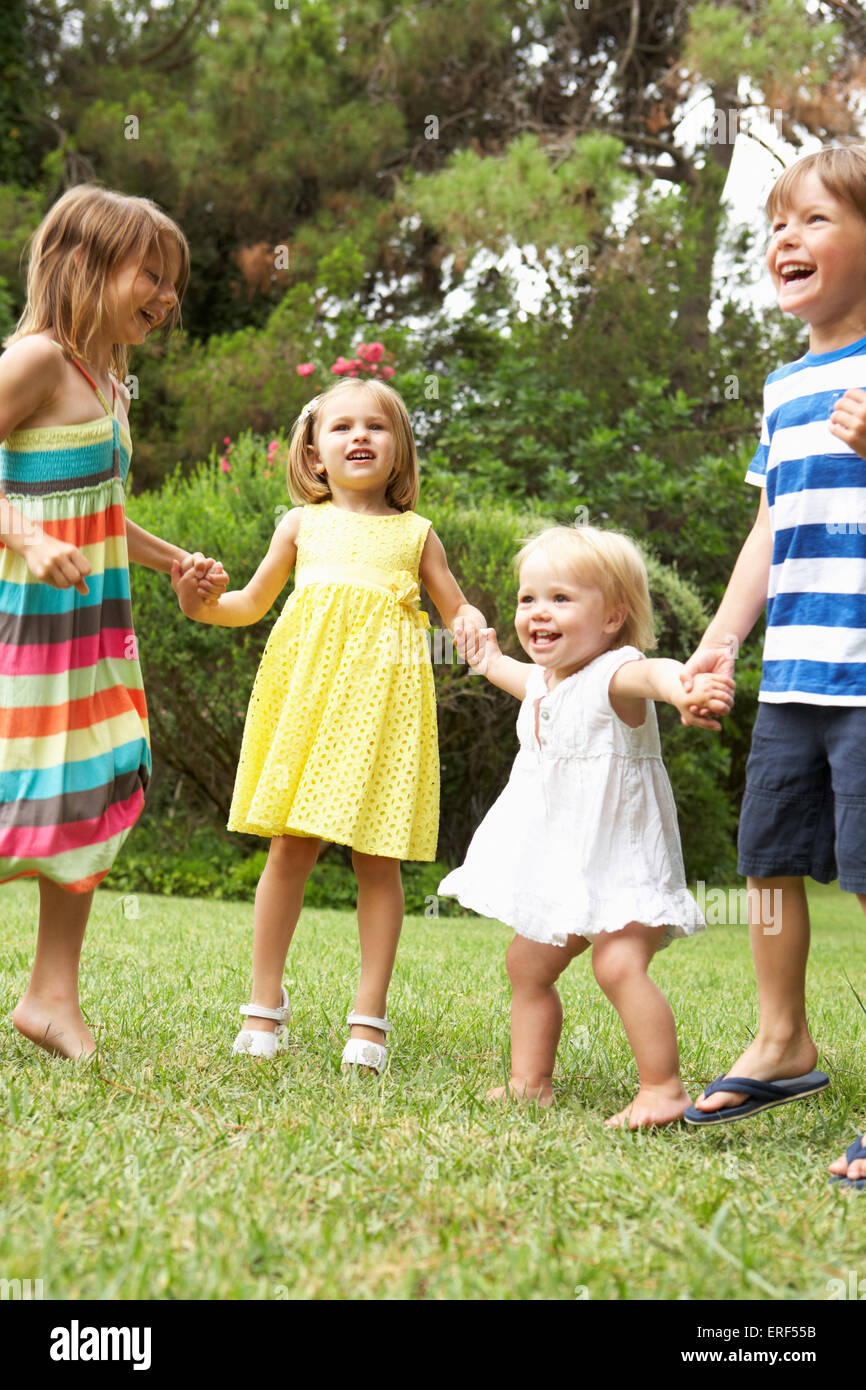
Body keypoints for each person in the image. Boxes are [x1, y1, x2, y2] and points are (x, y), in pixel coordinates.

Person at [173, 376, 485, 1071]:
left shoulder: (415, 534)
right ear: (314, 453)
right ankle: (264, 1003)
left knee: (379, 859)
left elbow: (457, 609)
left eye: (376, 426)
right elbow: (248, 605)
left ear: (399, 449)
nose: (360, 437)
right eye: (342, 427)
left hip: (383, 712)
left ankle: (369, 1016)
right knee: (291, 847)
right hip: (309, 706)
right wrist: (200, 606)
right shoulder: (299, 524)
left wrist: (473, 628)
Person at [1, 185, 227, 1061]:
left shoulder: (110, 381)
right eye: (151, 275)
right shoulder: (34, 360)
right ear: (83, 265)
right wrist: (25, 537)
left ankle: (51, 997)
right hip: (22, 622)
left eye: (173, 283)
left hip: (87, 631)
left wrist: (175, 561)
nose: (167, 298)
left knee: (90, 786)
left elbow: (97, 509)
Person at [679, 144, 866, 1188]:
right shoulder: (784, 385)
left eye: (814, 221)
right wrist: (719, 639)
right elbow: (769, 523)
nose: (785, 241)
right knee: (764, 858)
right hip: (795, 674)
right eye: (774, 227)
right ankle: (781, 1040)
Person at [438, 525, 734, 1126]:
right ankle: (529, 1082)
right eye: (527, 599)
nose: (538, 612)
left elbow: (658, 674)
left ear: (612, 618)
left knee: (617, 965)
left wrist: (686, 689)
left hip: (623, 865)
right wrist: (488, 657)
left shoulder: (616, 675)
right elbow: (510, 675)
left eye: (561, 599)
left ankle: (663, 1088)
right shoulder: (546, 682)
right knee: (526, 966)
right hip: (565, 869)